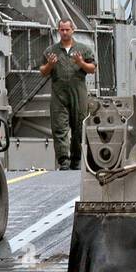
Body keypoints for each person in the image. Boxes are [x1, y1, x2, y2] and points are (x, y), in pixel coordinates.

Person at [38, 19, 95, 170]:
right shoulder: (51, 51)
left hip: (78, 93)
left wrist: (81, 63)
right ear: (58, 31)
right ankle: (64, 161)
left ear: (72, 30)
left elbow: (92, 69)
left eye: (67, 30)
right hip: (59, 95)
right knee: (59, 127)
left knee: (78, 127)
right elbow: (42, 72)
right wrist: (50, 64)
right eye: (61, 30)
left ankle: (76, 160)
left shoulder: (83, 49)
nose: (64, 33)